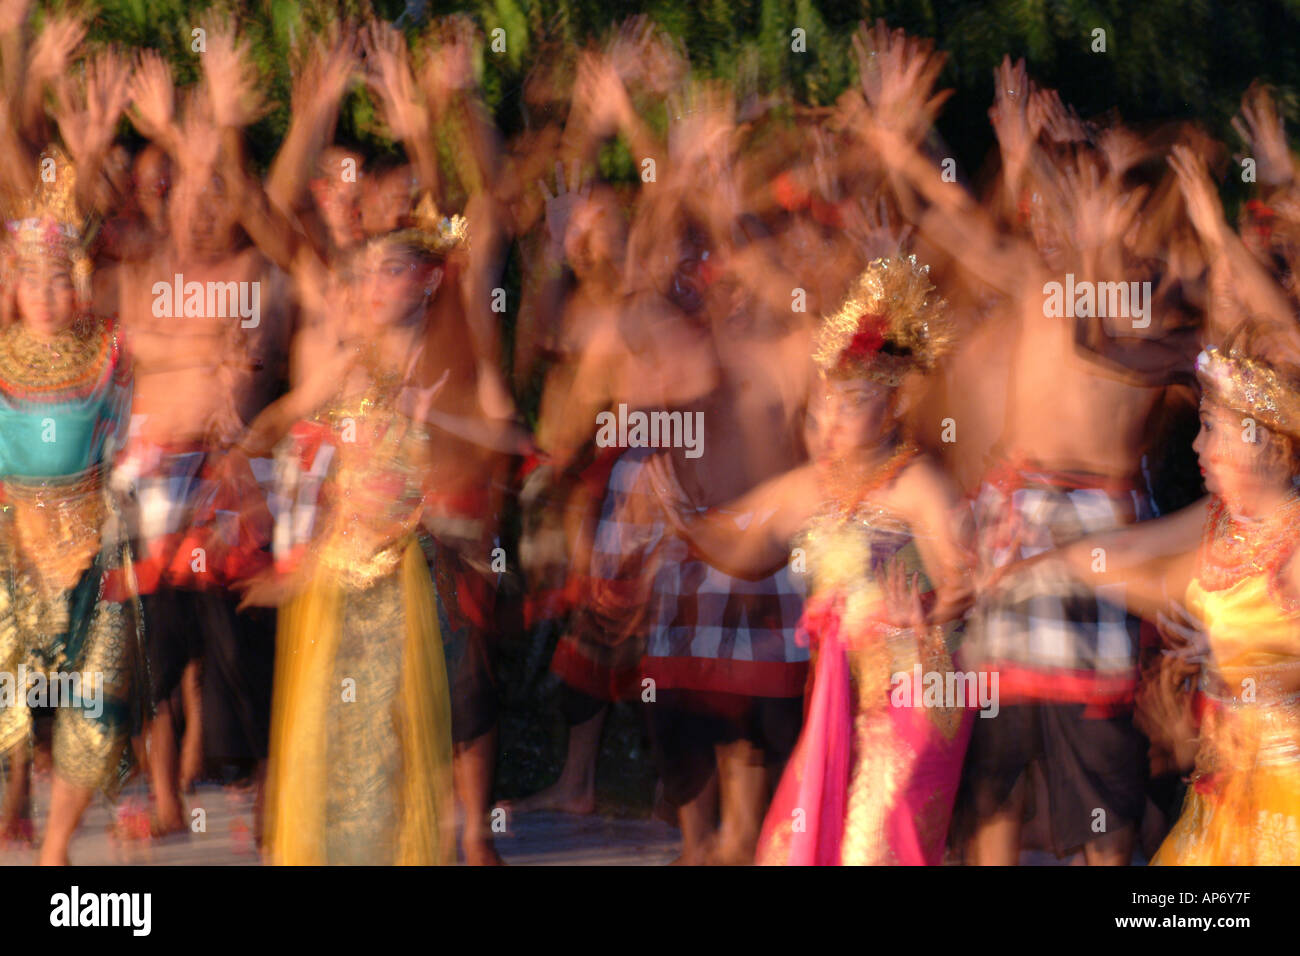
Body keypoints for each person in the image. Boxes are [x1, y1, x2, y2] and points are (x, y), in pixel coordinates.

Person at [651, 254, 977, 864]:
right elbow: (741, 540)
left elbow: (965, 583)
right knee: (794, 843)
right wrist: (683, 521)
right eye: (821, 405)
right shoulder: (810, 486)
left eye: (850, 404)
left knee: (871, 848)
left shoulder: (917, 484)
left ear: (893, 408)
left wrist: (929, 614)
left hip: (917, 691)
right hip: (839, 696)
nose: (829, 422)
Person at [236, 215, 461, 865]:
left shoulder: (443, 360)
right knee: (327, 724)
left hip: (403, 571)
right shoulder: (348, 360)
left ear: (428, 281)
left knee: (394, 724)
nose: (369, 286)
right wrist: (243, 462)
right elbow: (286, 413)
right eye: (363, 273)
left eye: (390, 271)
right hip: (333, 572)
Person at [0, 148, 145, 864]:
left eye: (60, 279)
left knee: (94, 700)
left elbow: (130, 434)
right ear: (12, 287)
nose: (48, 295)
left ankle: (55, 849)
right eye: (32, 280)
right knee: (11, 695)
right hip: (11, 545)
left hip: (92, 539)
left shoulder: (109, 349)